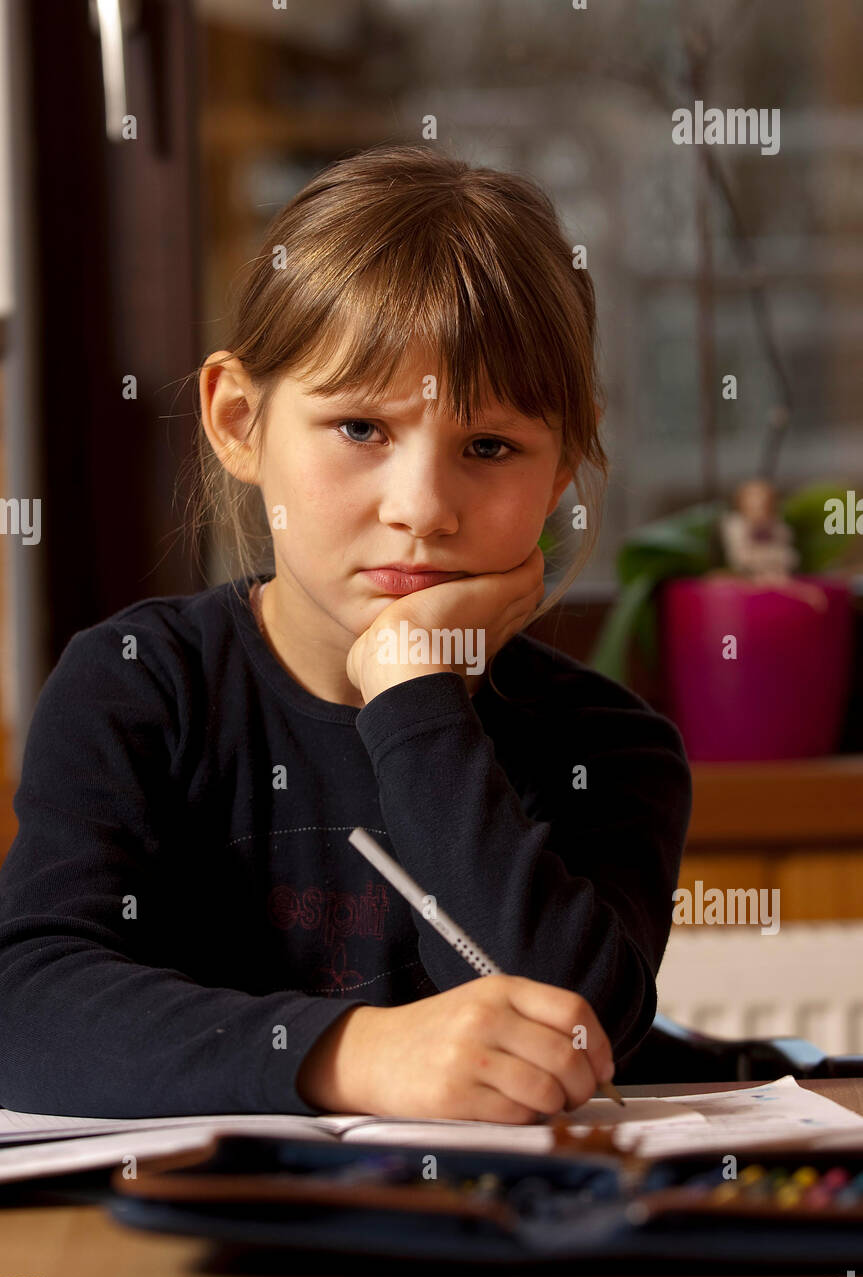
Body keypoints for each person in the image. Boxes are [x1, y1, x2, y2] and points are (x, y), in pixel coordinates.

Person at [0, 145, 692, 1122]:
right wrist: (349, 1053)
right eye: (361, 428)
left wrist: (414, 694)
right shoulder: (137, 686)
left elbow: (578, 1023)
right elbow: (23, 1007)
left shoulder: (607, 748)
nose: (421, 509)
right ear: (238, 419)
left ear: (562, 469)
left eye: (488, 446)